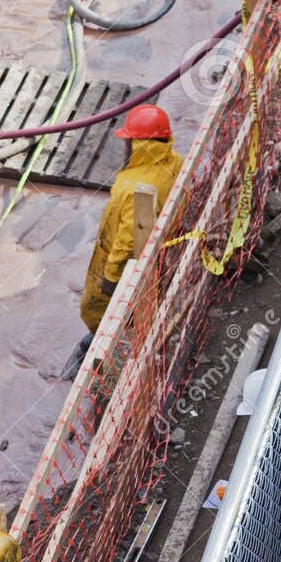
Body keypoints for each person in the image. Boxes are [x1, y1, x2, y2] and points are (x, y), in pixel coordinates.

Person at [65, 103, 184, 379]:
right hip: (157, 248)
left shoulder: (134, 186)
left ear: (140, 144)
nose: (125, 145)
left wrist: (112, 274)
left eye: (129, 140)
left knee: (94, 306)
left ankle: (99, 350)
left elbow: (128, 237)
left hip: (121, 257)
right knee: (135, 301)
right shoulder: (172, 160)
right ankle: (111, 338)